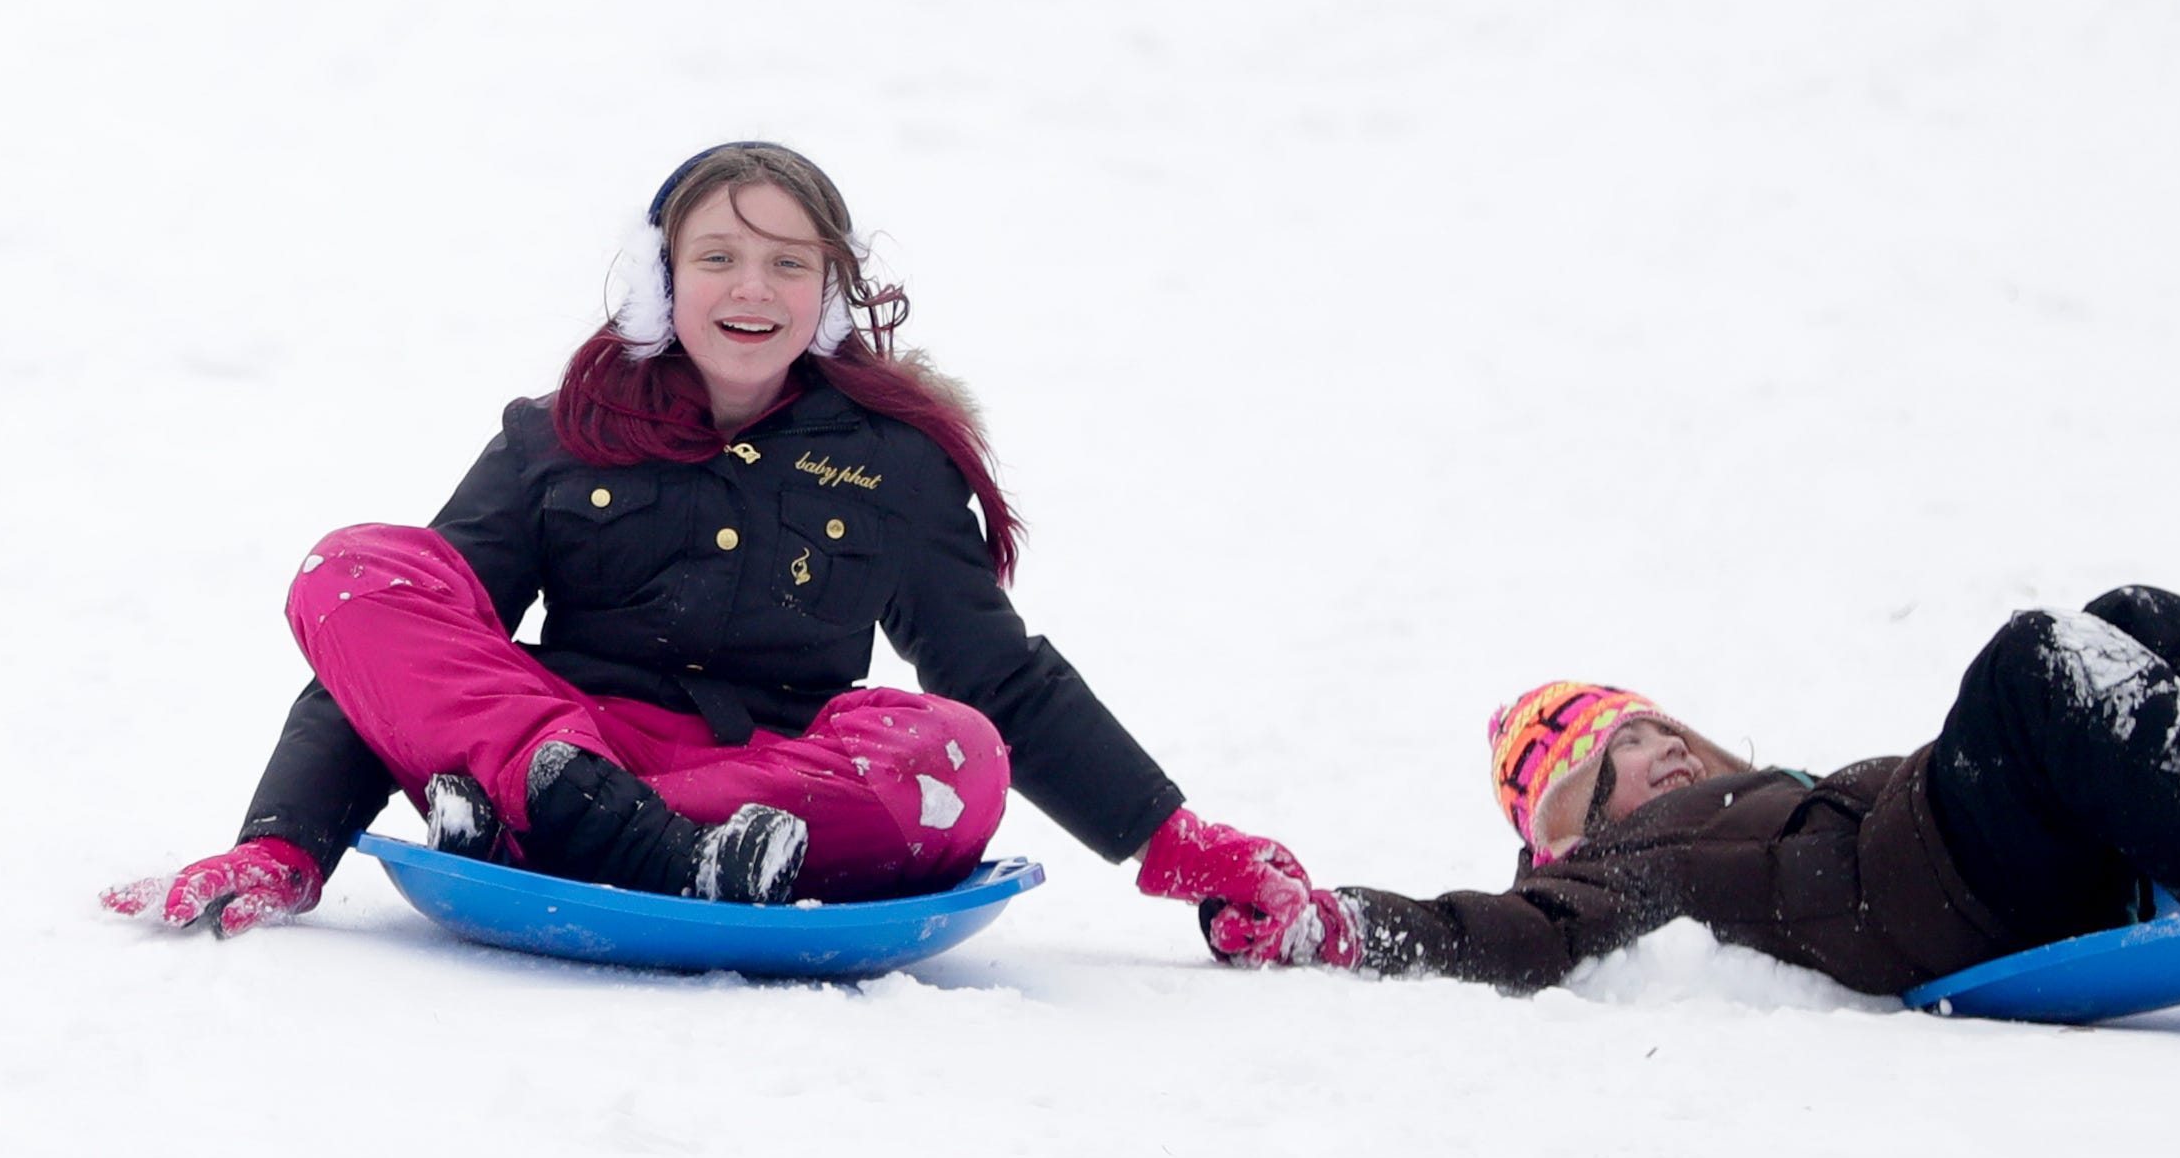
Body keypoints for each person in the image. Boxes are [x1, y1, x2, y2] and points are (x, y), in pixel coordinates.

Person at [107, 142, 1307, 935]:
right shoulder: (560, 434)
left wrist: (1178, 843)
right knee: (357, 569)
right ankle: (566, 805)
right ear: (661, 280)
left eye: (788, 263)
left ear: (828, 294)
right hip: (554, 738)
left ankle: (600, 836)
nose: (753, 287)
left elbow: (1001, 681)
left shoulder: (891, 464)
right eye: (719, 256)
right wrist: (281, 851)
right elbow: (397, 653)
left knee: (954, 754)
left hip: (761, 798)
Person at [1200, 586, 2180, 999]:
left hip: (1972, 843)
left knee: (2132, 618)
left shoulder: (1778, 787)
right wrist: (1333, 920)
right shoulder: (1625, 872)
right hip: (1929, 885)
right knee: (2034, 656)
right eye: (1603, 769)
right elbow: (1506, 936)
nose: (1649, 759)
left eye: (1654, 733)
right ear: (1565, 828)